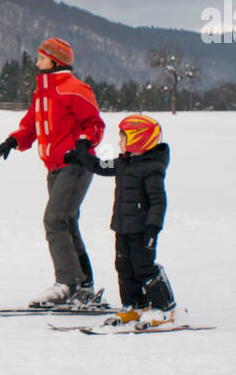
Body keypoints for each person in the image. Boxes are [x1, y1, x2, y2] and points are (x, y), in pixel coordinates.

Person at [0, 37, 105, 307]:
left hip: (75, 165)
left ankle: (67, 283)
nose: (37, 62)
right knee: (66, 223)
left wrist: (83, 143)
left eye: (41, 58)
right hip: (54, 168)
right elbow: (30, 127)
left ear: (55, 61)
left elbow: (94, 124)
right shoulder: (43, 92)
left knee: (54, 220)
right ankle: (84, 285)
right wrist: (12, 141)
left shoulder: (75, 89)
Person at [64, 113, 176, 328]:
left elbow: (158, 202)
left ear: (138, 140)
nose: (119, 142)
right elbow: (100, 167)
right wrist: (80, 155)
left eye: (123, 138)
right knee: (123, 267)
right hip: (122, 228)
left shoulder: (152, 168)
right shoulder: (124, 163)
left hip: (143, 230)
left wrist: (153, 229)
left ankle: (166, 308)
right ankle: (134, 305)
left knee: (144, 267)